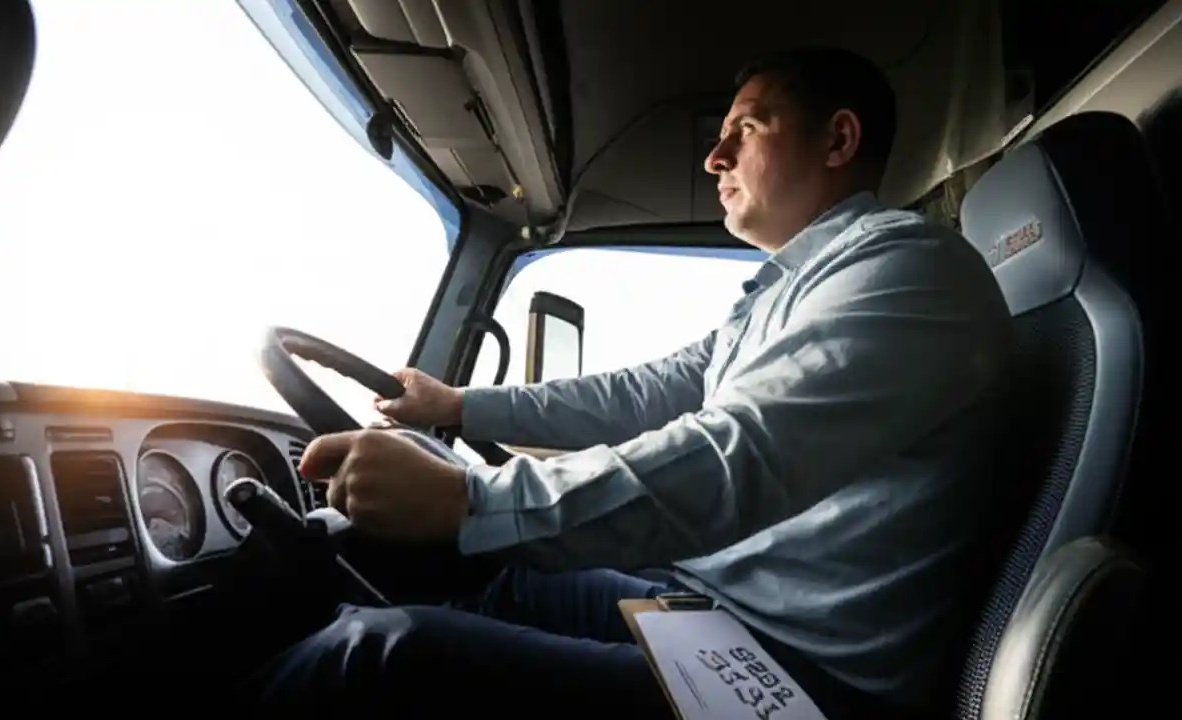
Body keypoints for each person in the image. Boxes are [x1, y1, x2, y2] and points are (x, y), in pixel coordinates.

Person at [241, 47, 1014, 719]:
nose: (715, 158)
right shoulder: (792, 289)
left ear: (838, 138)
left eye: (745, 129)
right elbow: (646, 393)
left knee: (380, 655)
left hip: (812, 681)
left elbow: (733, 456)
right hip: (726, 616)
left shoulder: (907, 269)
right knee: (482, 573)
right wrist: (459, 404)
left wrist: (466, 499)